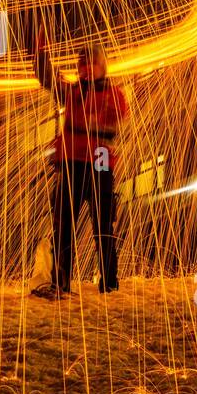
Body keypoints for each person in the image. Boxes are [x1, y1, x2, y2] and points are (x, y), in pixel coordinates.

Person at [28, 16, 128, 299]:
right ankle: (61, 284)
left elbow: (115, 119)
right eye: (81, 64)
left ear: (101, 66)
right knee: (63, 227)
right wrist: (40, 52)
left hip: (98, 162)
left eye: (90, 63)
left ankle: (109, 285)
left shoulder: (112, 94)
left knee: (103, 229)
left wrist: (92, 115)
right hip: (71, 163)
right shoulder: (72, 91)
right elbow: (48, 78)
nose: (84, 68)